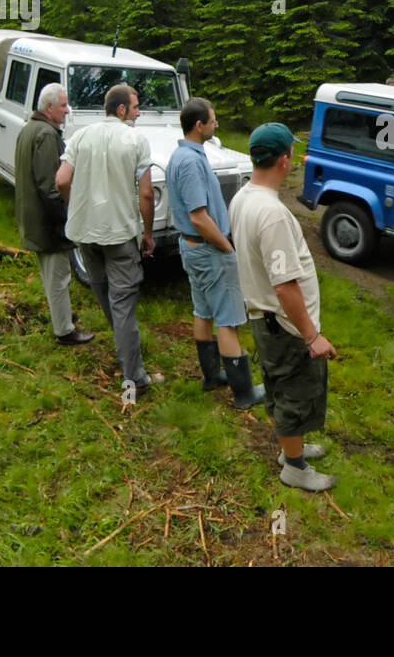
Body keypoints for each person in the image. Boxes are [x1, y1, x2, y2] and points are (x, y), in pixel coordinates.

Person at [229, 123, 337, 492]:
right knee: (295, 390)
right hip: (285, 325)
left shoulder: (243, 197)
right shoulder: (271, 213)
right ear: (283, 160)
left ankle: (291, 445)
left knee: (279, 384)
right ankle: (294, 466)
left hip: (265, 317)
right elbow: (284, 283)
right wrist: (312, 335)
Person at [55, 83, 162, 396]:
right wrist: (147, 233)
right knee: (123, 305)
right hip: (118, 234)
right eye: (136, 106)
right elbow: (145, 193)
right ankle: (134, 381)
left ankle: (125, 348)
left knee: (104, 293)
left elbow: (61, 180)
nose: (139, 112)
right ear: (121, 110)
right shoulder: (135, 139)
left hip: (86, 235)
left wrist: (76, 207)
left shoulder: (80, 136)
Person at [167, 97, 264, 409]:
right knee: (228, 319)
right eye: (213, 120)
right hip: (208, 250)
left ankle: (212, 376)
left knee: (203, 311)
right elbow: (198, 216)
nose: (216, 124)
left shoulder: (181, 155)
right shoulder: (191, 162)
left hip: (192, 248)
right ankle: (244, 393)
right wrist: (226, 246)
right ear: (199, 126)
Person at [16, 83, 94, 347]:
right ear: (49, 108)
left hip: (33, 219)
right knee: (59, 277)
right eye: (63, 105)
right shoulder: (47, 135)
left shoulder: (29, 129)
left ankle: (61, 314)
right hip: (47, 223)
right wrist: (69, 217)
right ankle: (64, 331)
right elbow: (51, 187)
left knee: (52, 276)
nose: (67, 110)